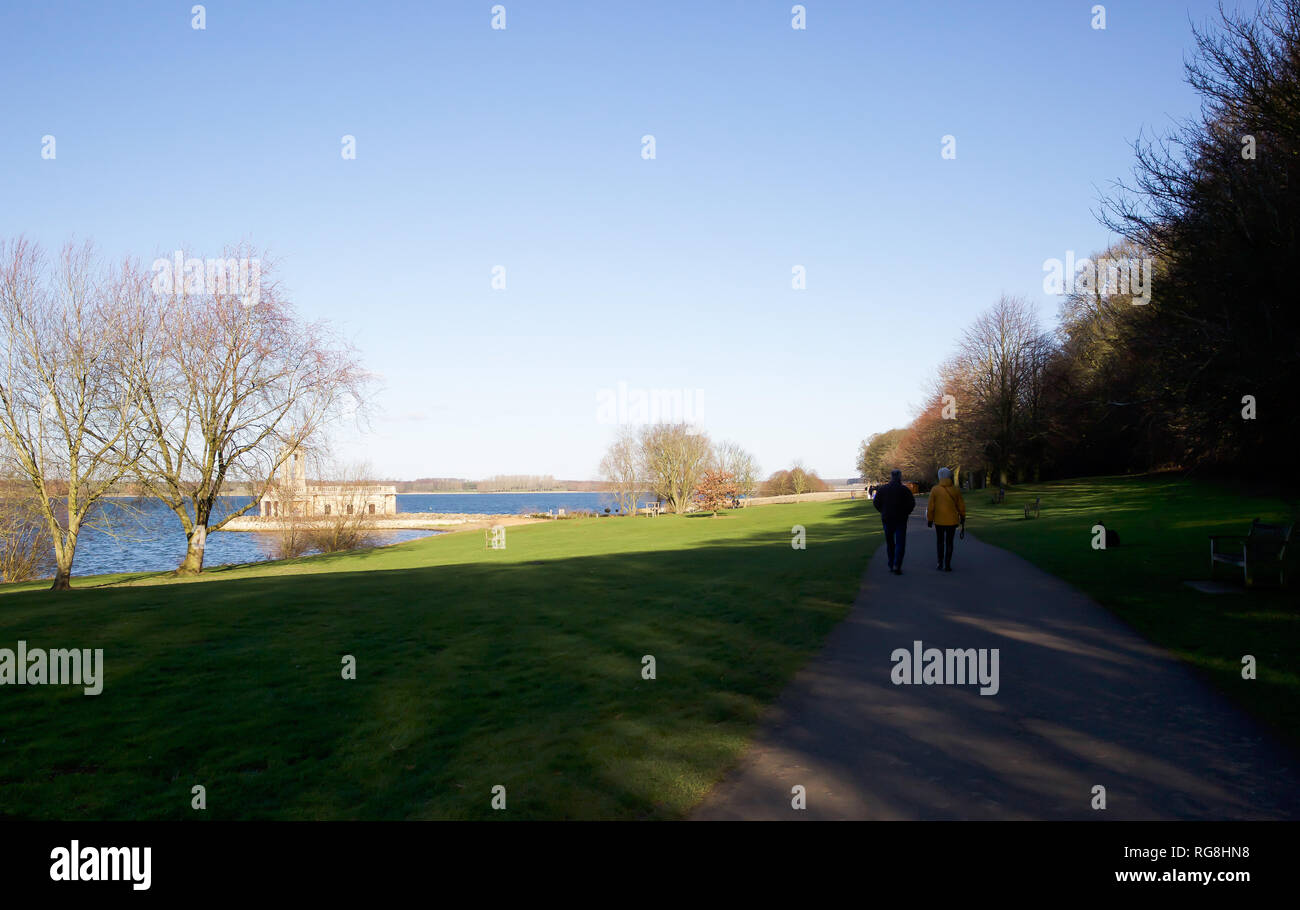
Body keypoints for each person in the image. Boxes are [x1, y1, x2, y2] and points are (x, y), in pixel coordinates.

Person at [873, 469, 915, 575]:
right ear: (900, 476)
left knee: (890, 543)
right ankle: (897, 564)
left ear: (891, 476)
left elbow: (876, 502)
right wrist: (906, 513)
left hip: (887, 519)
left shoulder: (883, 489)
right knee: (900, 543)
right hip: (901, 519)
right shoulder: (904, 490)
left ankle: (891, 564)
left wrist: (882, 511)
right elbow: (911, 503)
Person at [926, 467, 966, 571]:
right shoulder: (955, 490)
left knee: (940, 542)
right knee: (949, 542)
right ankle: (947, 564)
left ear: (940, 477)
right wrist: (962, 517)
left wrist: (930, 520)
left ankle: (940, 563)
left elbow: (931, 507)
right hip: (952, 521)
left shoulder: (935, 489)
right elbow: (961, 506)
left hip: (939, 521)